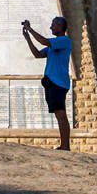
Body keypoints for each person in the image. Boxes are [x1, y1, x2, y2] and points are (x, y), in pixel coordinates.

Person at [22, 16, 72, 150]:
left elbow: (44, 41)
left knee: (61, 114)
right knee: (58, 114)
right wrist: (28, 39)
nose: (51, 27)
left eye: (53, 25)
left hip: (59, 83)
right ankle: (64, 145)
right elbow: (38, 54)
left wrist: (30, 29)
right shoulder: (54, 44)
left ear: (60, 26)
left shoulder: (64, 41)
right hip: (52, 82)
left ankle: (65, 146)